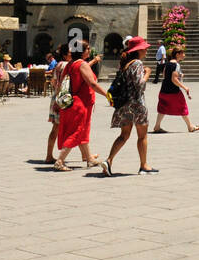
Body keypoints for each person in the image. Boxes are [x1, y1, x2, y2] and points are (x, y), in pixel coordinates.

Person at [102, 37, 158, 175]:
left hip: (124, 104)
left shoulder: (125, 64)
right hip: (137, 104)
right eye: (144, 48)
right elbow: (140, 85)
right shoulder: (138, 63)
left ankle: (108, 161)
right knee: (142, 136)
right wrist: (148, 73)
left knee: (124, 135)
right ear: (138, 50)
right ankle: (144, 165)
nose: (146, 50)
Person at [55, 40, 110, 172]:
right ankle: (60, 160)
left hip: (70, 103)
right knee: (76, 132)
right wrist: (107, 95)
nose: (89, 51)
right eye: (87, 49)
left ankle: (89, 159)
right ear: (81, 51)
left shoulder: (69, 65)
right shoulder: (82, 64)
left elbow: (59, 85)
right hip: (80, 104)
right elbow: (92, 83)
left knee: (83, 131)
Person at [153, 47, 199, 133]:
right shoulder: (176, 65)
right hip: (174, 92)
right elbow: (174, 79)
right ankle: (190, 127)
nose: (184, 55)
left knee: (162, 108)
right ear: (177, 54)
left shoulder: (167, 64)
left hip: (164, 90)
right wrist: (185, 87)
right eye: (182, 53)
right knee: (183, 107)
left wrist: (178, 76)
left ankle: (157, 126)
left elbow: (164, 75)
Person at [44, 43, 70, 163]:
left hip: (55, 97)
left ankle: (49, 154)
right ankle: (85, 156)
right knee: (66, 127)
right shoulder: (67, 65)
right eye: (70, 53)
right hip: (63, 98)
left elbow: (54, 82)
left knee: (55, 128)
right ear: (65, 55)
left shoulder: (58, 65)